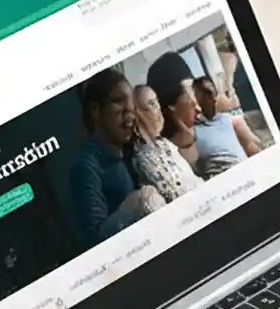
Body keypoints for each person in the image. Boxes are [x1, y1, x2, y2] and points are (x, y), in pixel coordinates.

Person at [70, 70, 165, 246]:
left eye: (131, 104)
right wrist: (138, 204)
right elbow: (95, 239)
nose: (129, 111)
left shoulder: (130, 153)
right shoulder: (87, 166)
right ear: (95, 110)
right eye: (118, 101)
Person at [130, 84, 203, 202]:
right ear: (138, 114)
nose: (158, 109)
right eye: (151, 104)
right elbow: (174, 194)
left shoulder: (165, 144)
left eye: (157, 102)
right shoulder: (143, 156)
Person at [145, 52, 203, 168]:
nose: (197, 105)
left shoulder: (212, 125)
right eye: (189, 92)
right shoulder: (164, 158)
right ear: (171, 105)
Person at [193, 75, 264, 166]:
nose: (212, 98)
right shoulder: (193, 130)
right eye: (206, 94)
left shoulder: (231, 120)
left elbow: (252, 144)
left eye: (213, 92)